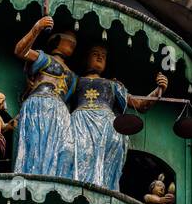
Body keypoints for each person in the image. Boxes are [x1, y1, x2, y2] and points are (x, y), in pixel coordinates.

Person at [61, 42, 167, 188]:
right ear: (85, 58)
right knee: (80, 156)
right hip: (80, 124)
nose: (100, 57)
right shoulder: (75, 80)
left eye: (103, 56)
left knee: (104, 161)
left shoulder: (113, 84)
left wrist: (158, 89)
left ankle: (102, 186)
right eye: (95, 53)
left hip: (107, 126)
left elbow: (141, 105)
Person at [12, 16, 77, 177]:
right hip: (39, 105)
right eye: (69, 39)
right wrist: (37, 27)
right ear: (56, 40)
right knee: (35, 146)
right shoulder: (45, 58)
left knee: (65, 150)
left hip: (61, 112)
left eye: (75, 43)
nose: (72, 44)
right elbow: (20, 50)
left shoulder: (73, 76)